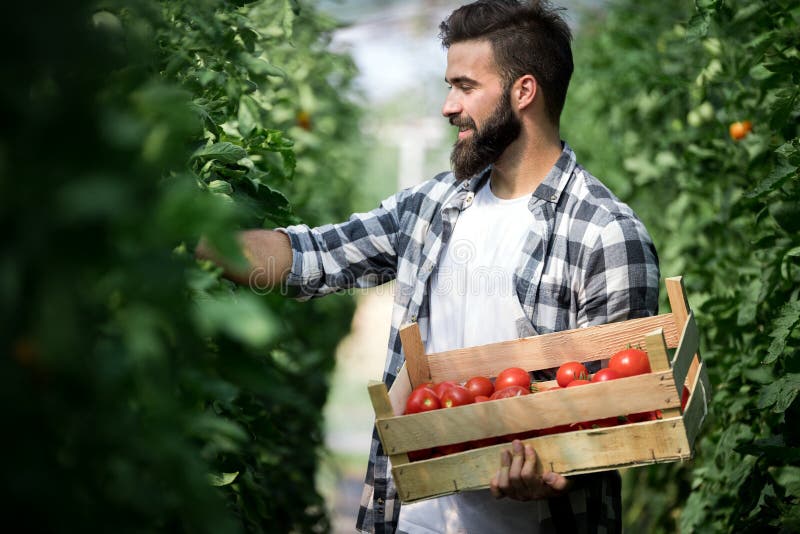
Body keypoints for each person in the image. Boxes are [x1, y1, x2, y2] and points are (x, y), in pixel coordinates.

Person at [197, 1, 660, 532]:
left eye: (465, 87)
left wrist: (561, 470)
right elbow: (312, 256)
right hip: (412, 519)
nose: (447, 106)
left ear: (523, 92)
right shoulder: (432, 207)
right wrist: (189, 243)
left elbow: (620, 412)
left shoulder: (604, 233)